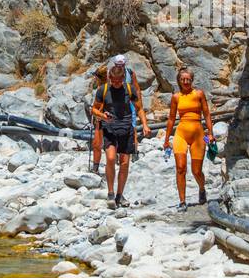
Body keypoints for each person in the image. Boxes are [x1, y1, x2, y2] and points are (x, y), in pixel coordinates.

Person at [92, 54, 150, 209]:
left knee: (124, 163)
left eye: (119, 81)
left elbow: (139, 109)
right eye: (114, 81)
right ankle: (110, 193)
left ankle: (119, 195)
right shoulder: (102, 90)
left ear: (123, 78)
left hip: (127, 129)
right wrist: (102, 115)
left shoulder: (129, 89)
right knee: (110, 159)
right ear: (110, 78)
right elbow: (94, 109)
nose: (116, 84)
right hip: (110, 129)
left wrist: (144, 125)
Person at [163, 67, 214, 210]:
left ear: (192, 80)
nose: (186, 82)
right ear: (179, 81)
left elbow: (207, 114)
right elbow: (171, 119)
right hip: (181, 134)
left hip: (198, 134)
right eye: (183, 79)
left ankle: (202, 188)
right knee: (180, 168)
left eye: (188, 79)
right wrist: (167, 139)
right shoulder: (176, 97)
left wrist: (210, 133)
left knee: (196, 171)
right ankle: (182, 201)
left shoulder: (199, 94)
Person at [89, 66, 108, 174]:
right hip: (101, 119)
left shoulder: (105, 88)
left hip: (102, 119)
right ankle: (95, 169)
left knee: (97, 144)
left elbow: (102, 104)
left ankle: (95, 168)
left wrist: (97, 113)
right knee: (97, 144)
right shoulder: (102, 87)